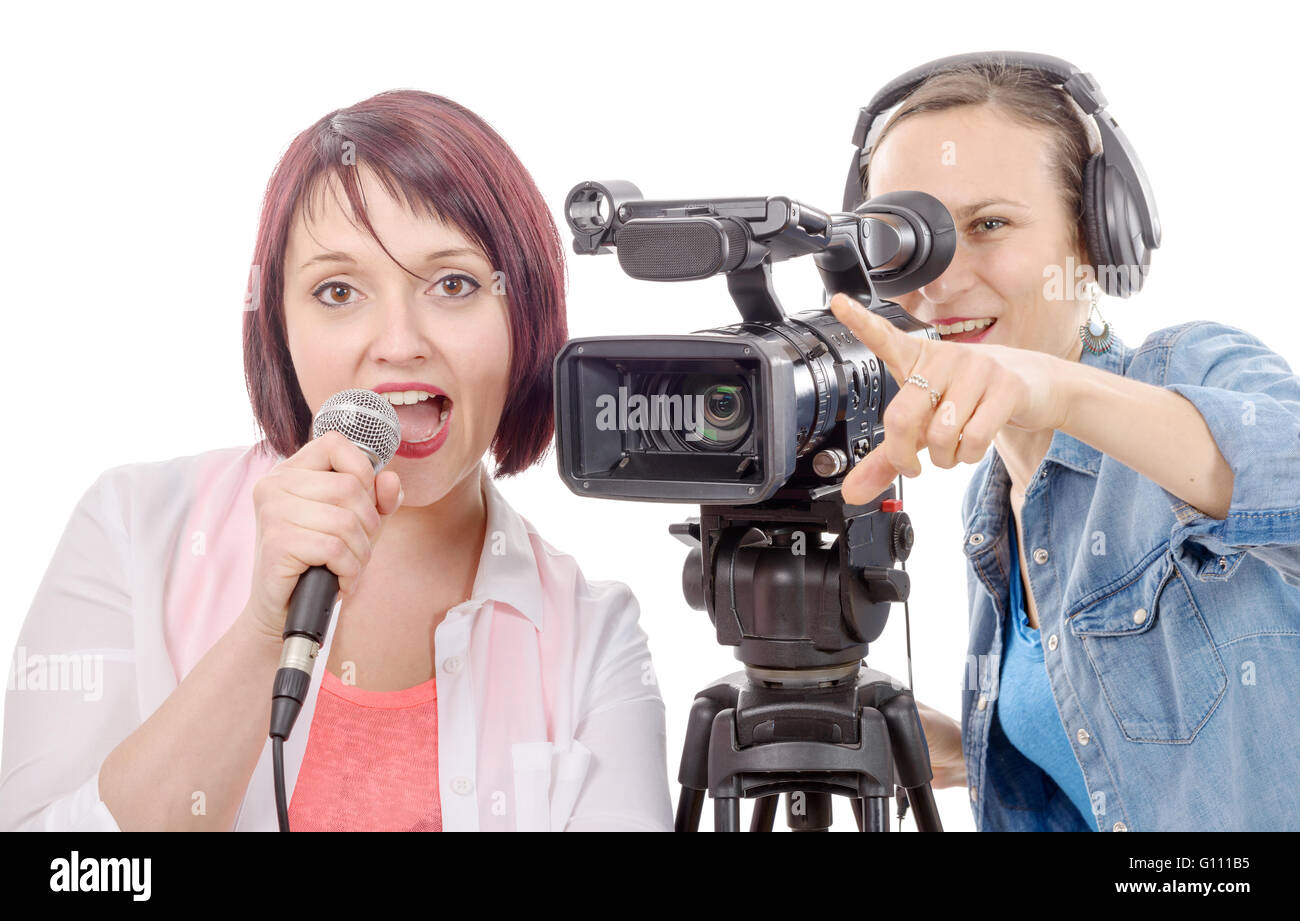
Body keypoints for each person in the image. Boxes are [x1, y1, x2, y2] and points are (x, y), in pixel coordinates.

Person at [0, 90, 674, 832]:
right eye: (338, 290)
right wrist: (263, 631)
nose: (398, 340)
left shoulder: (593, 637)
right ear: (279, 326)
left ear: (527, 315)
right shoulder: (133, 528)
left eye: (452, 284)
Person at [828, 53, 1300, 831]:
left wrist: (1057, 389)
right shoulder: (993, 513)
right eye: (906, 238)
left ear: (1095, 236)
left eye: (989, 225)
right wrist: (976, 746)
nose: (939, 283)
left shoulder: (1188, 370)